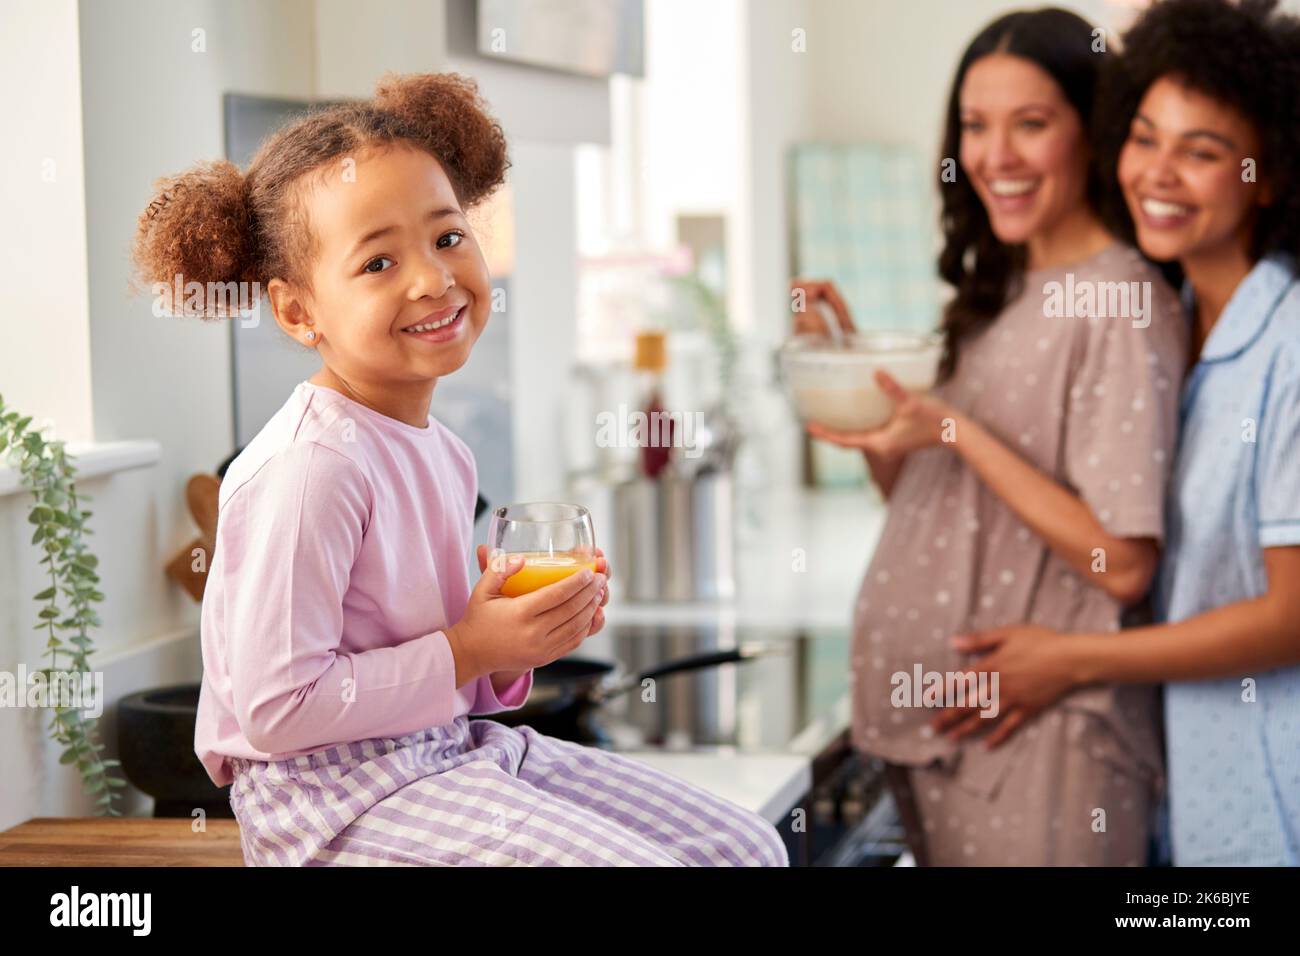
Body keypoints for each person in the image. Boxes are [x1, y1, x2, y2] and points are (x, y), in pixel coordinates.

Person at [134, 72, 787, 867]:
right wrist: (469, 649)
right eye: (377, 263)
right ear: (298, 310)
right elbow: (279, 708)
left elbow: (447, 666)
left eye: (447, 237)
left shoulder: (444, 452)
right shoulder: (312, 467)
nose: (432, 278)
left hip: (446, 754)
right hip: (329, 802)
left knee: (744, 846)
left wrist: (509, 644)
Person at [792, 8, 1186, 865]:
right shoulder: (1004, 285)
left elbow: (1119, 561)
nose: (993, 155)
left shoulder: (1118, 300)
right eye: (974, 125)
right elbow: (932, 500)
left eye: (1031, 124)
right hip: (952, 735)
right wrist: (864, 381)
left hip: (1037, 740)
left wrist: (953, 427)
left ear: (1094, 133)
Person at [940, 0, 1300, 867]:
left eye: (1202, 151)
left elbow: (1293, 615)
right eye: (1146, 138)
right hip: (1201, 794)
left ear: (1269, 175)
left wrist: (1073, 661)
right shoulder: (1181, 318)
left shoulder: (1288, 345)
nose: (1158, 174)